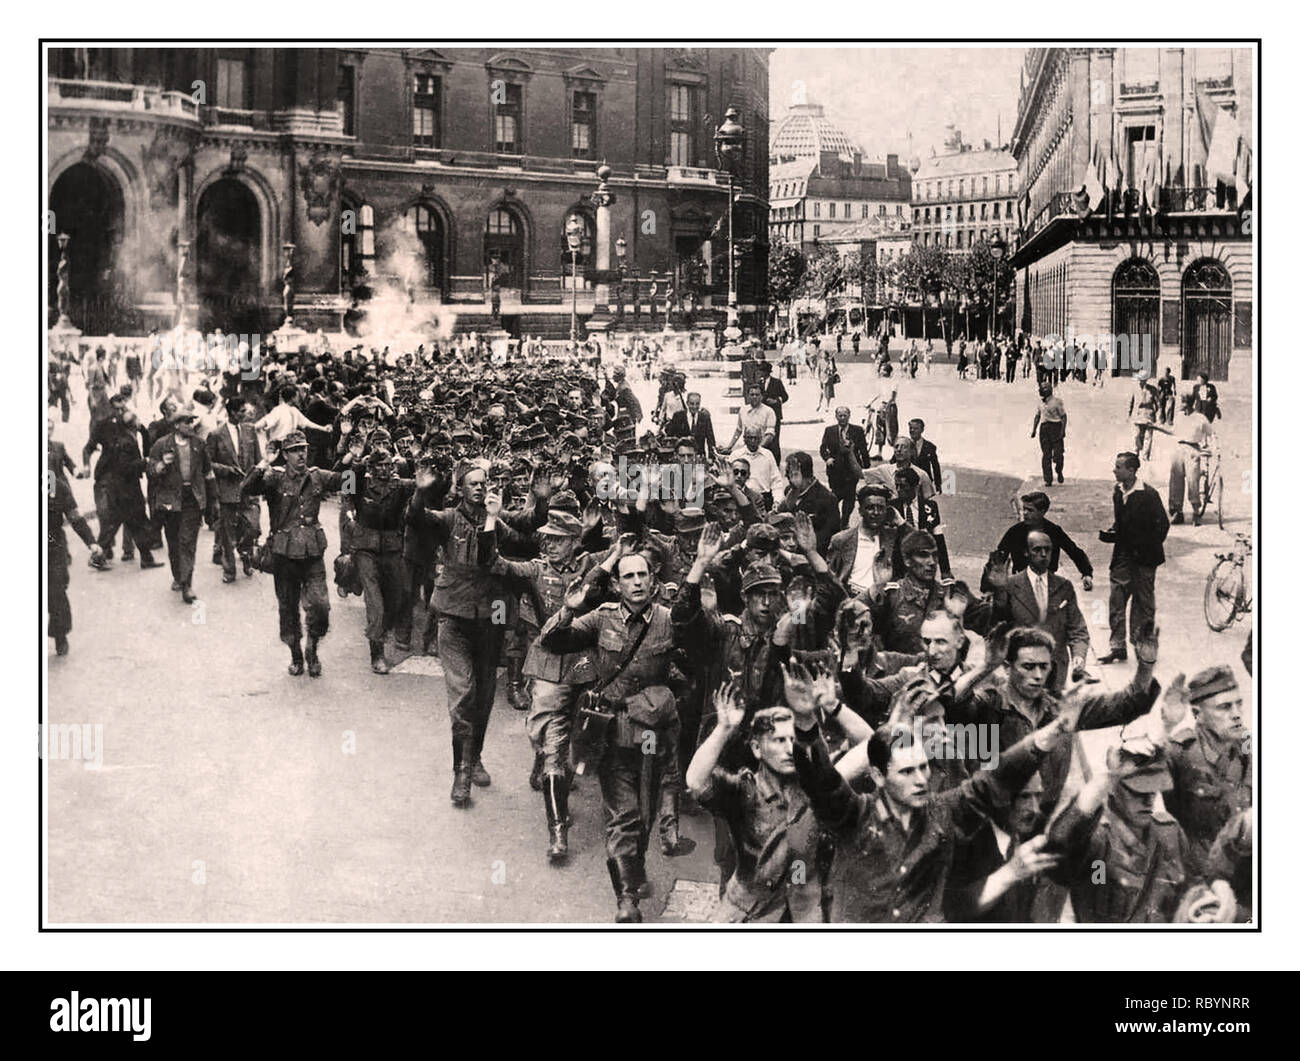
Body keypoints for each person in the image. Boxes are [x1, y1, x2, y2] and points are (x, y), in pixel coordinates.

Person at [538, 544, 679, 923]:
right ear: (617, 585)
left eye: (642, 575)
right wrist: (568, 609)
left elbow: (693, 661)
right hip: (611, 733)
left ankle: (635, 868)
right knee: (624, 816)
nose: (636, 581)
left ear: (653, 581)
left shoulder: (669, 619)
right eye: (628, 576)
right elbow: (552, 642)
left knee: (645, 816)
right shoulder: (601, 619)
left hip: (652, 734)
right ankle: (626, 900)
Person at [687, 694, 822, 922]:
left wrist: (833, 707)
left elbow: (867, 751)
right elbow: (696, 781)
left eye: (794, 740)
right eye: (779, 740)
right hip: (750, 911)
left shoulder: (818, 787)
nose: (790, 749)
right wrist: (723, 728)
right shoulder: (745, 790)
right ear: (757, 749)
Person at [241, 430, 344, 677]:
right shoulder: (274, 478)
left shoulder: (317, 476)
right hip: (284, 555)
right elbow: (246, 489)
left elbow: (347, 483)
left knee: (320, 606)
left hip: (312, 553)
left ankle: (313, 647)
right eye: (296, 450)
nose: (301, 454)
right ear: (285, 455)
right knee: (287, 608)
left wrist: (349, 455)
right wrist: (265, 461)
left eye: (304, 449)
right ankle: (296, 654)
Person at [1164, 665, 1252, 874]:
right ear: (1198, 714)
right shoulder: (1180, 753)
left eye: (1239, 704)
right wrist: (1165, 727)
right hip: (1203, 871)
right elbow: (1137, 780)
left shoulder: (1248, 745)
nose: (1237, 714)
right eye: (1224, 707)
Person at [986, 530, 1090, 692]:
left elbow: (1077, 628)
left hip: (1056, 673)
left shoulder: (1064, 587)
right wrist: (999, 592)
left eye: (1047, 550)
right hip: (1023, 672)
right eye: (1037, 550)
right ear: (1026, 553)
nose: (1043, 555)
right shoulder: (1011, 586)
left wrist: (1078, 657)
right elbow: (997, 626)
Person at [1097, 453, 1170, 664]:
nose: (1115, 470)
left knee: (1144, 604)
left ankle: (1142, 645)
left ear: (1131, 470)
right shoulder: (1118, 492)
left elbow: (1162, 525)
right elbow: (1121, 522)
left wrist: (1145, 546)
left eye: (1119, 467)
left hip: (1145, 559)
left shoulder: (1148, 495)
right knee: (1116, 602)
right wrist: (1114, 532)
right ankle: (1117, 647)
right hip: (1122, 556)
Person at [147, 407, 215, 603]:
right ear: (176, 425)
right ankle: (178, 576)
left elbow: (208, 473)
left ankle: (187, 584)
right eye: (186, 422)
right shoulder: (162, 445)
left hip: (192, 498)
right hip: (170, 500)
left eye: (192, 422)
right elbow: (150, 469)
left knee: (187, 542)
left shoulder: (199, 445)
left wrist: (213, 501)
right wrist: (161, 465)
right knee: (174, 541)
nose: (190, 425)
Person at [48, 472, 106, 656]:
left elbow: (75, 517)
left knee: (56, 590)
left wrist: (91, 542)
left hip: (53, 545)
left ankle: (60, 634)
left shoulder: (56, 485)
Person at [206, 396, 263, 582]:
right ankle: (229, 570)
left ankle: (245, 554)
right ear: (232, 412)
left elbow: (258, 459)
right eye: (241, 412)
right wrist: (227, 470)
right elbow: (207, 464)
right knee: (227, 533)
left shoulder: (250, 430)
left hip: (249, 490)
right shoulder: (216, 434)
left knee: (253, 528)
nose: (245, 415)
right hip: (227, 490)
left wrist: (259, 481)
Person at [992, 491, 1093, 587]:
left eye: (1030, 510)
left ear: (1042, 512)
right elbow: (998, 558)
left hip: (1048, 582)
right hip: (1021, 583)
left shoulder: (1054, 531)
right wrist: (989, 588)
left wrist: (1086, 574)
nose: (1025, 513)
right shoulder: (1015, 532)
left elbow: (1074, 551)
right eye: (1024, 509)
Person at [827, 484, 906, 595]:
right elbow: (830, 579)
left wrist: (902, 523)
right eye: (870, 508)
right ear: (860, 511)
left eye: (881, 508)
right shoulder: (841, 540)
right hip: (853, 599)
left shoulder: (893, 537)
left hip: (885, 600)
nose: (876, 513)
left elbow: (920, 546)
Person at [1155, 394, 1216, 525]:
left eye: (1183, 402)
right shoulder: (1179, 417)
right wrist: (1156, 427)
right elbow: (1172, 431)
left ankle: (1195, 513)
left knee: (1193, 481)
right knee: (1175, 481)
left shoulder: (1200, 418)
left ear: (1189, 403)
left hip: (1193, 450)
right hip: (1178, 449)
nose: (1180, 404)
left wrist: (1214, 450)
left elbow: (1211, 434)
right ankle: (1178, 513)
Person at [776, 451, 840, 555]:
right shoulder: (790, 491)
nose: (789, 478)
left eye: (793, 474)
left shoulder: (827, 499)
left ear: (806, 474)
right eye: (788, 474)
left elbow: (829, 535)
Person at [819, 406, 871, 526]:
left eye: (845, 415)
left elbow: (863, 450)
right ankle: (834, 519)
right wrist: (827, 458)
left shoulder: (857, 430)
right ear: (836, 416)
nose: (842, 418)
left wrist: (866, 468)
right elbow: (823, 448)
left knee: (850, 497)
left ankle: (845, 520)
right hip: (835, 470)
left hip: (851, 470)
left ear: (849, 416)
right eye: (840, 415)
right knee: (835, 496)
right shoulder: (829, 430)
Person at [723, 383, 778, 460]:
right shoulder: (743, 410)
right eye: (752, 394)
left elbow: (770, 435)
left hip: (763, 452)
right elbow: (739, 430)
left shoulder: (769, 411)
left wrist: (757, 450)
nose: (754, 397)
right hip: (746, 451)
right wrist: (730, 446)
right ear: (748, 396)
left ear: (762, 396)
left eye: (757, 394)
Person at [1030, 382, 1067, 487]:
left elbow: (1063, 416)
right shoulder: (1040, 403)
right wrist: (1034, 430)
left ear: (1048, 390)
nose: (1040, 391)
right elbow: (1037, 416)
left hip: (1056, 428)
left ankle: (1059, 470)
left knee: (1058, 455)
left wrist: (1063, 430)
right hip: (1044, 430)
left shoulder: (1056, 402)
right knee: (1046, 455)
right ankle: (1048, 479)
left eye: (1043, 388)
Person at [665, 391, 716, 460]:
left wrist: (711, 457)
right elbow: (671, 437)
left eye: (697, 404)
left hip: (699, 457)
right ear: (687, 403)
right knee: (686, 471)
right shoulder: (678, 416)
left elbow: (711, 439)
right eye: (692, 404)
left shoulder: (705, 417)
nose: (694, 407)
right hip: (683, 458)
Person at [759, 361, 789, 463]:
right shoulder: (759, 383)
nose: (761, 373)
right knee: (764, 438)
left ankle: (776, 462)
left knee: (775, 439)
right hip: (762, 415)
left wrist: (776, 401)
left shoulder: (777, 382)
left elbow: (785, 396)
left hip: (775, 414)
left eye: (763, 371)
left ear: (768, 372)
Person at [1128, 373, 1161, 460]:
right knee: (1137, 435)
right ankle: (1136, 451)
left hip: (1149, 415)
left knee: (1148, 436)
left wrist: (1155, 412)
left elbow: (1158, 403)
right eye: (1139, 380)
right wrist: (1129, 414)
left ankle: (1145, 455)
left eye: (1143, 380)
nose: (1141, 382)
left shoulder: (1153, 389)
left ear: (1146, 380)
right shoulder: (1135, 389)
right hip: (1138, 415)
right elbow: (1131, 402)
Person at [907, 419, 942, 493]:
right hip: (907, 482)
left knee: (923, 503)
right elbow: (893, 463)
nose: (912, 430)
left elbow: (935, 466)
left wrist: (938, 484)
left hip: (924, 482)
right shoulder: (903, 445)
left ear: (922, 430)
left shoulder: (930, 447)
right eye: (911, 428)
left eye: (915, 428)